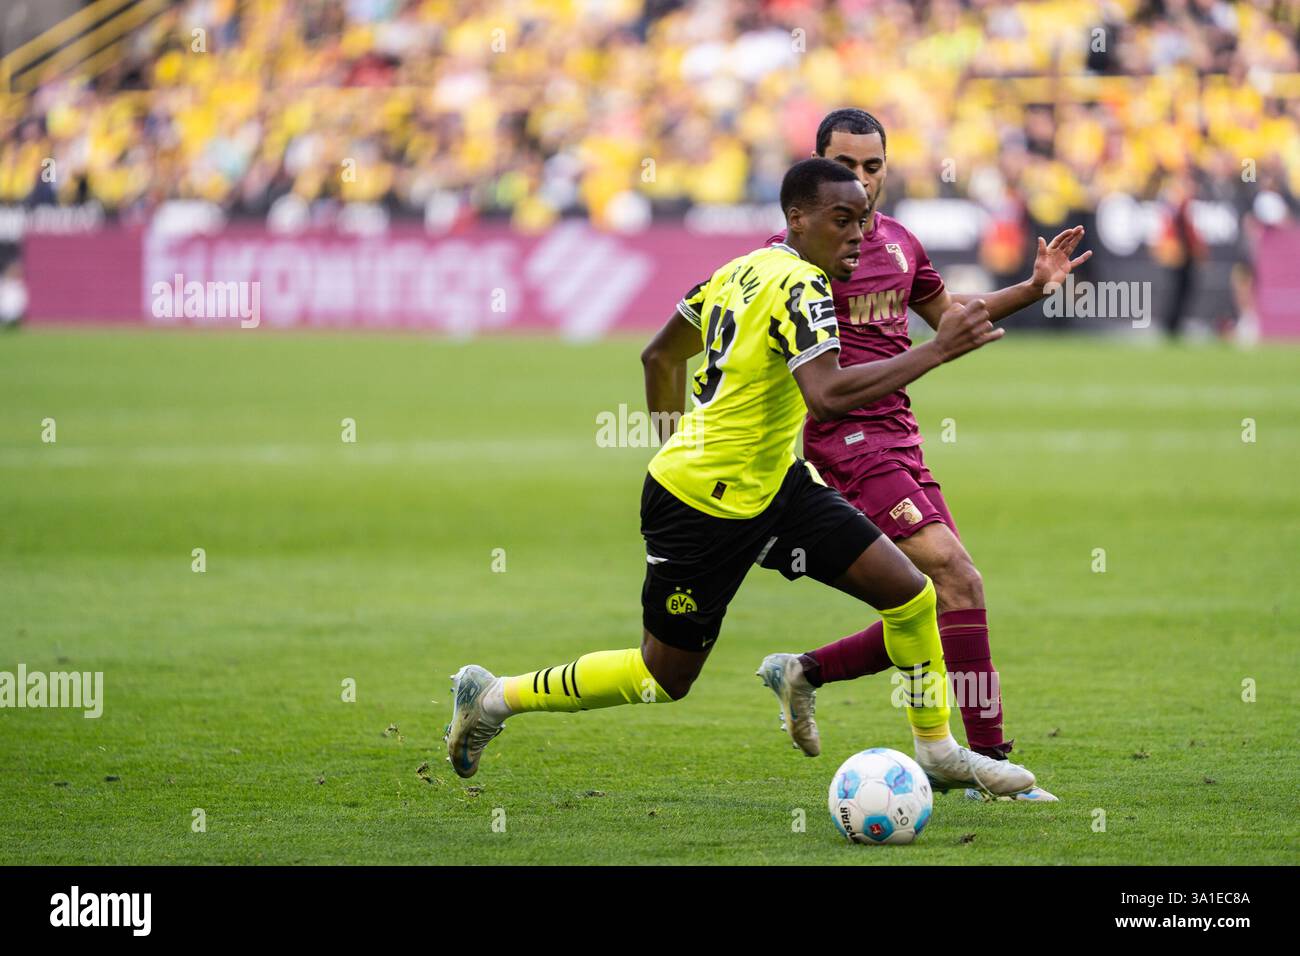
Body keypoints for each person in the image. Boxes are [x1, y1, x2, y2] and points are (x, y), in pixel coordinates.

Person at [444, 158, 1035, 798]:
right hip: (700, 505)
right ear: (797, 219)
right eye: (842, 220)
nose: (858, 235)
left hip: (776, 486)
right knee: (662, 677)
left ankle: (937, 750)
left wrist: (680, 441)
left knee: (910, 594)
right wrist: (937, 349)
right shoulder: (802, 286)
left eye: (863, 221)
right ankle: (494, 697)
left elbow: (660, 354)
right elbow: (827, 396)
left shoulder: (737, 271)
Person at [757, 109, 1089, 802]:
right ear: (815, 170)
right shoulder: (792, 258)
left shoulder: (902, 243)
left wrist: (1032, 289)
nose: (860, 179)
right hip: (845, 442)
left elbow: (951, 319)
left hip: (899, 435)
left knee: (937, 599)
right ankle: (989, 764)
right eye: (844, 165)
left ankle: (804, 671)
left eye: (871, 166)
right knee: (959, 578)